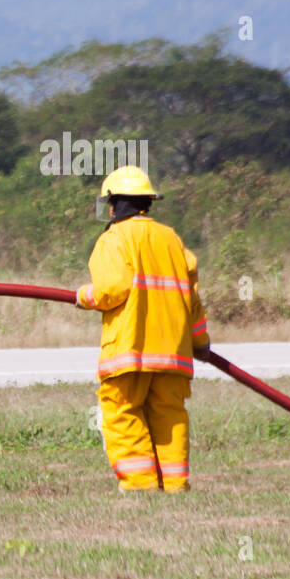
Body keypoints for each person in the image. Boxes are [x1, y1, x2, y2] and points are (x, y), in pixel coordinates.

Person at [76, 166, 211, 492]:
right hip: (173, 354)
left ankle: (140, 486)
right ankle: (175, 484)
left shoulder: (114, 239)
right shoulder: (171, 239)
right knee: (170, 415)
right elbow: (191, 298)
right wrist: (200, 341)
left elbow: (112, 289)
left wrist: (83, 295)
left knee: (122, 413)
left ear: (115, 203)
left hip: (130, 350)